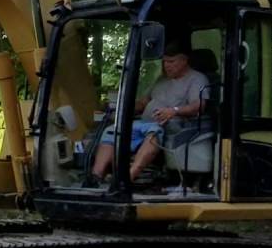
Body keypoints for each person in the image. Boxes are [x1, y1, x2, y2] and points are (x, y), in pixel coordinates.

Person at [88, 45, 209, 184]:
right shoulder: (162, 79)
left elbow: (198, 106)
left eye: (171, 62)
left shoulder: (197, 79)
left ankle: (125, 179)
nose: (166, 66)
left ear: (184, 61)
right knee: (111, 131)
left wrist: (173, 111)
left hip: (173, 124)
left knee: (153, 134)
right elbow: (143, 103)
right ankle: (95, 177)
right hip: (144, 122)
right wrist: (120, 108)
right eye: (164, 61)